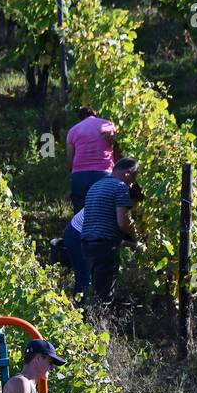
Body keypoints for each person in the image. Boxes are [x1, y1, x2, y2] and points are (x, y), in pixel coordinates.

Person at [81, 158, 144, 308]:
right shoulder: (120, 187)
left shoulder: (95, 186)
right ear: (128, 173)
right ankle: (99, 328)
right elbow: (123, 222)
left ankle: (89, 322)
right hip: (104, 247)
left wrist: (129, 244)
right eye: (134, 178)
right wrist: (136, 238)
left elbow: (101, 226)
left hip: (87, 244)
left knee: (95, 289)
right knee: (104, 296)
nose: (133, 184)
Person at [66, 107, 118, 214]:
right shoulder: (108, 125)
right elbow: (116, 151)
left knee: (80, 212)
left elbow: (69, 160)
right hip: (104, 173)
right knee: (104, 211)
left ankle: (82, 230)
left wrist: (73, 174)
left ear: (80, 118)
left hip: (80, 175)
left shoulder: (73, 130)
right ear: (95, 114)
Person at [63, 207, 89, 297]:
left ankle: (81, 306)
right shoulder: (118, 199)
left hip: (78, 233)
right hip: (75, 234)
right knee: (82, 277)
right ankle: (78, 308)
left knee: (84, 276)